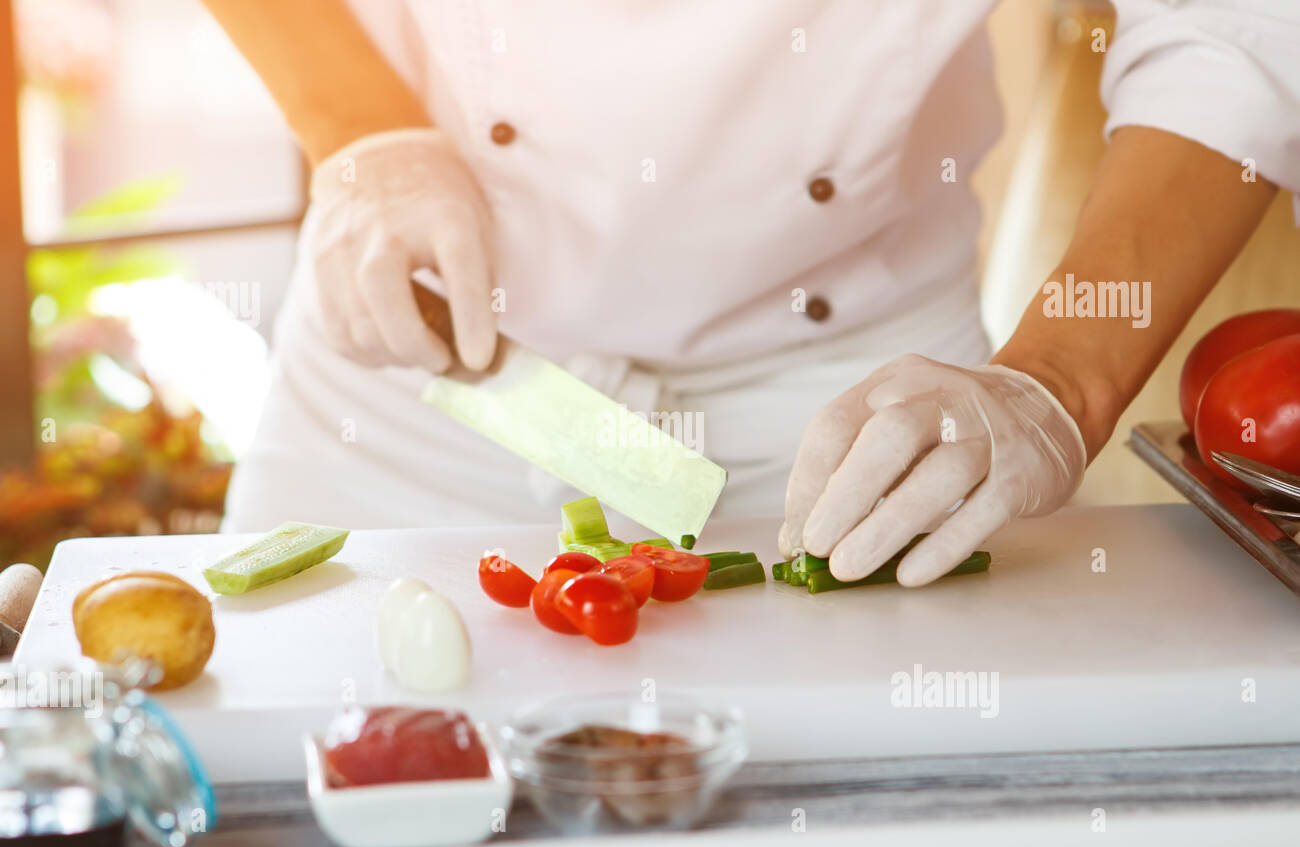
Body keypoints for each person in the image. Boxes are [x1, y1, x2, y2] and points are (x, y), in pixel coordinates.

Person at [206, 0, 1299, 586]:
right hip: (423, 356)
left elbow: (1229, 24)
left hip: (860, 407)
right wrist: (359, 128)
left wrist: (1053, 380)